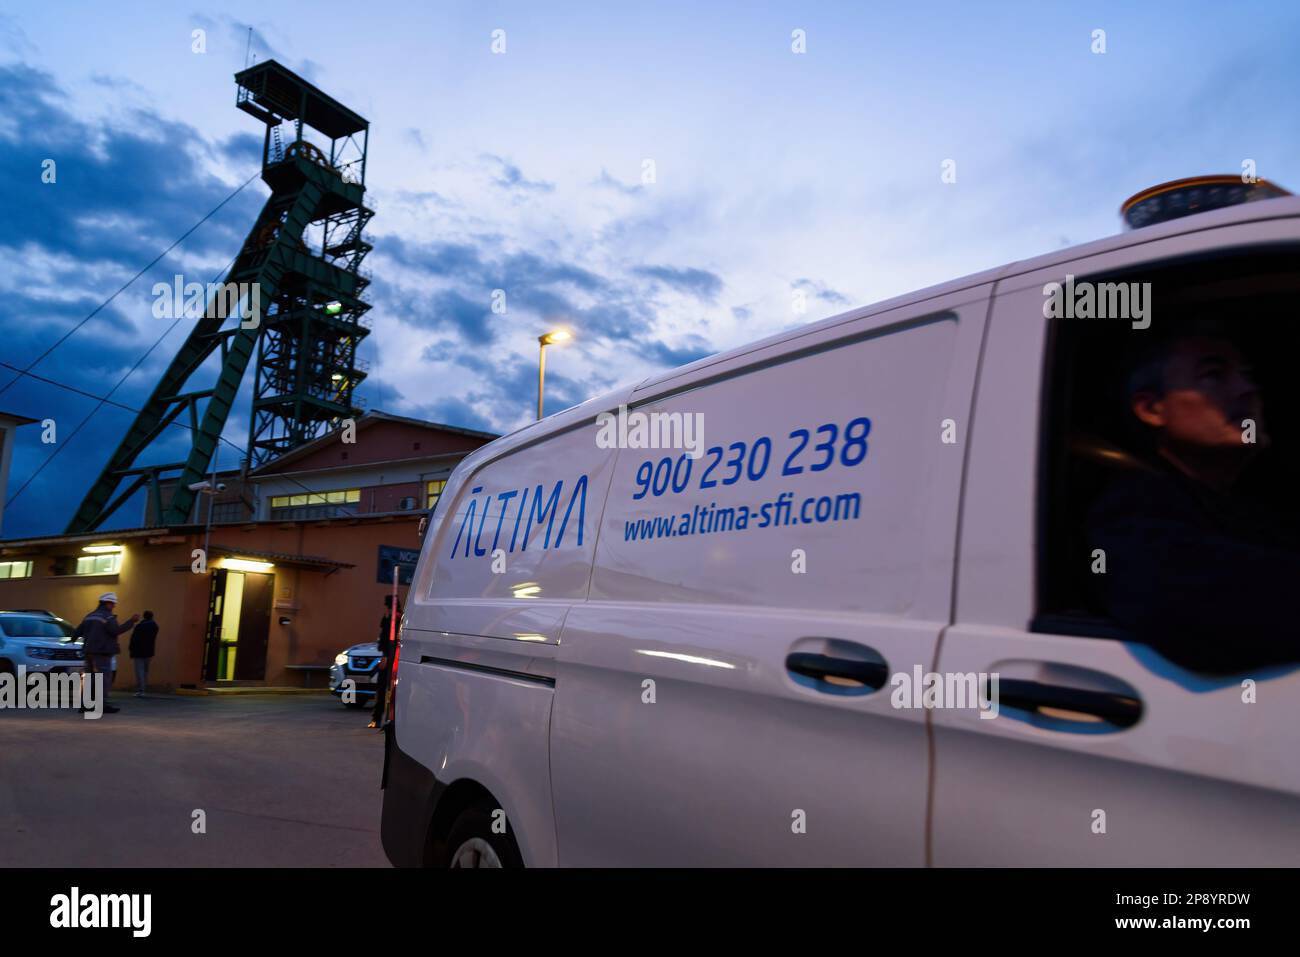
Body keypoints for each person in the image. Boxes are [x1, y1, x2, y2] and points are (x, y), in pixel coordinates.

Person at [1088, 326, 1300, 673]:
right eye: (1214, 375)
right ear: (1152, 409)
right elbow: (1202, 610)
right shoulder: (1133, 509)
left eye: (1247, 375)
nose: (1249, 389)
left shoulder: (1252, 504)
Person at [76, 592, 139, 714]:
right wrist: (131, 621)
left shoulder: (89, 616)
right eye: (113, 604)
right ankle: (101, 705)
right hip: (102, 652)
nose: (114, 606)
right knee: (103, 679)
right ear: (108, 603)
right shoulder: (108, 617)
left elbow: (78, 631)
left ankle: (85, 705)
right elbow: (115, 630)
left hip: (88, 652)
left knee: (89, 678)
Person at [368, 595, 402, 730]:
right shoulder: (388, 617)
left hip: (391, 657)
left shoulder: (396, 618)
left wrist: (387, 656)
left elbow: (391, 641)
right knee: (382, 689)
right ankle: (377, 718)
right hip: (387, 655)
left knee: (387, 689)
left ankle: (385, 719)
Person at [130, 610, 159, 697]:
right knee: (145, 671)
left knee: (139, 671)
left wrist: (131, 649)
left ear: (144, 616)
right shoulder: (155, 626)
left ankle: (140, 690)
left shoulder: (140, 626)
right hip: (149, 651)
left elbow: (134, 639)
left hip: (138, 651)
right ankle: (143, 689)